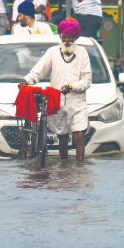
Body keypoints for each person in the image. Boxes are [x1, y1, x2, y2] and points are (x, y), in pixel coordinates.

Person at [20, 18, 92, 161]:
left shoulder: (82, 53)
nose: (67, 40)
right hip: (56, 100)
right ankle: (64, 166)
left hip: (77, 100)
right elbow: (38, 71)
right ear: (60, 37)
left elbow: (87, 80)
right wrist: (26, 81)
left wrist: (71, 87)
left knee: (79, 135)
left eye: (70, 37)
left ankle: (80, 167)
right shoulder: (52, 52)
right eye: (64, 37)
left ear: (75, 38)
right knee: (62, 137)